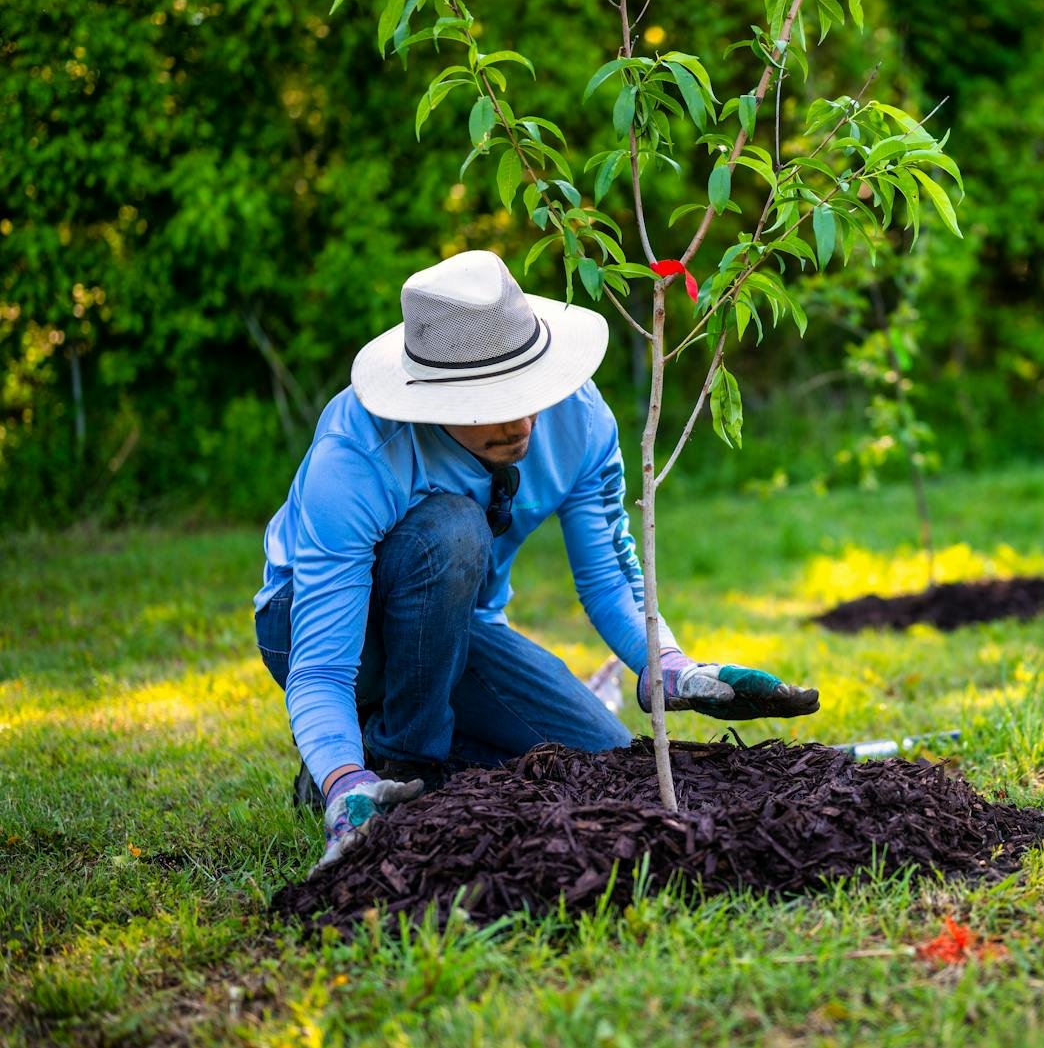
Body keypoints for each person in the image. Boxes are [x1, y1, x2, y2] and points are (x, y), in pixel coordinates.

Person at [253, 250, 818, 869]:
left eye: (529, 390)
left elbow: (610, 575)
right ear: (433, 399)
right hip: (317, 629)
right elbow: (321, 667)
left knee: (600, 757)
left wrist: (669, 667)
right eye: (489, 401)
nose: (522, 419)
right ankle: (386, 766)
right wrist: (343, 782)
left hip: (457, 631)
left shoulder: (578, 420)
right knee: (452, 528)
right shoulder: (359, 455)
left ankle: (384, 750)